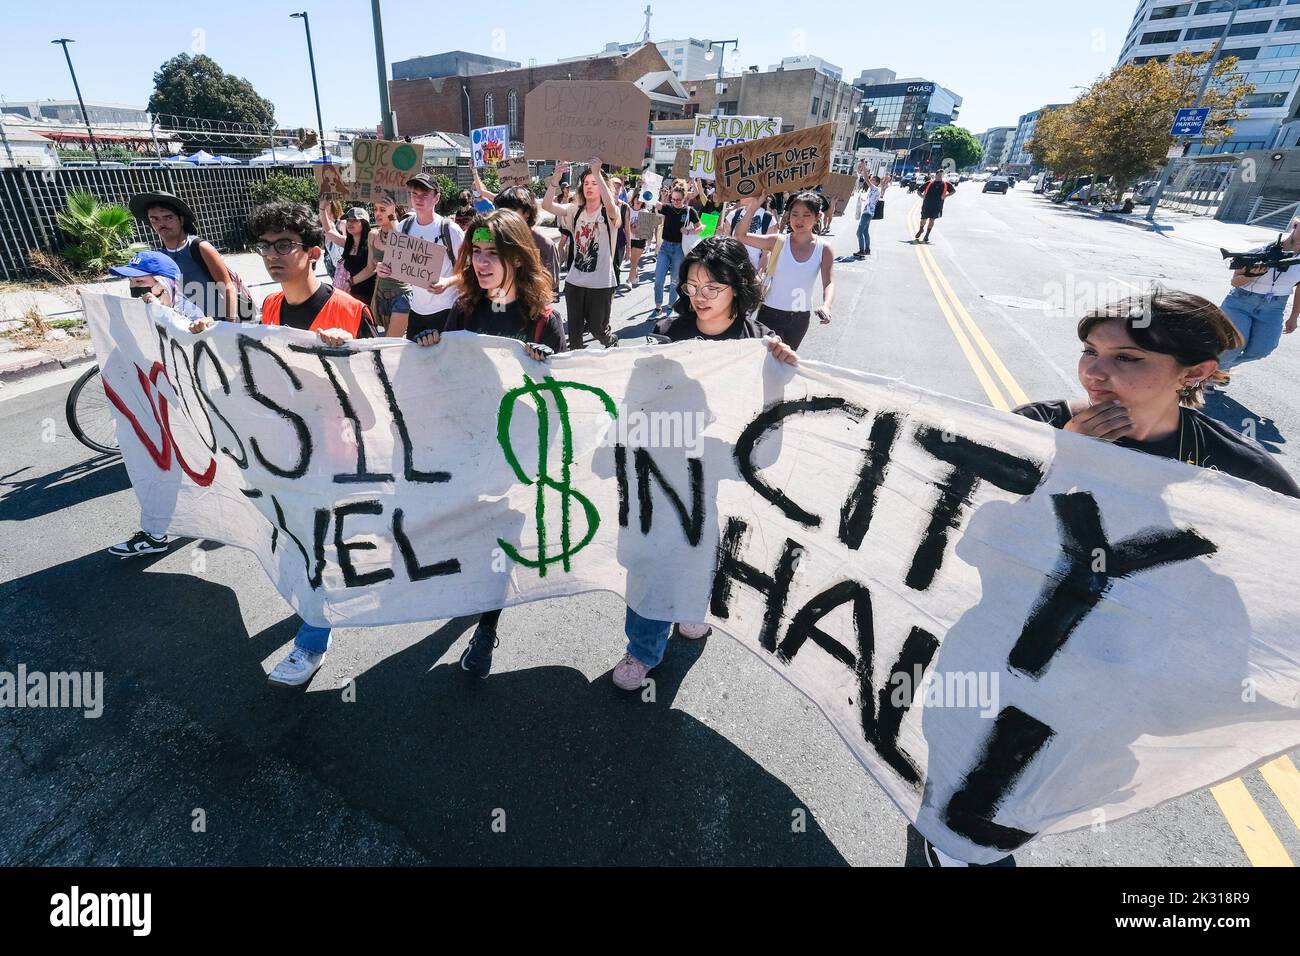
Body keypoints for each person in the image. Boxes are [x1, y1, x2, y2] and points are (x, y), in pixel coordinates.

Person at [189, 201, 377, 687]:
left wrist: (347, 360)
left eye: (284, 245)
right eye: (265, 246)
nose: (272, 255)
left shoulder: (351, 312)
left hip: (333, 458)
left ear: (314, 252)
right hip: (280, 455)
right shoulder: (270, 308)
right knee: (297, 543)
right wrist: (212, 337)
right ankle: (320, 609)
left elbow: (376, 408)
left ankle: (312, 638)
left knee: (314, 547)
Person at [612, 235, 798, 690]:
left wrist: (784, 370)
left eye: (711, 288)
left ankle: (690, 609)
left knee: (699, 547)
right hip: (661, 468)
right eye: (691, 287)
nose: (698, 298)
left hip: (714, 471)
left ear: (737, 287)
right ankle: (644, 648)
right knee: (653, 556)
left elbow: (768, 415)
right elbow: (635, 398)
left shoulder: (758, 343)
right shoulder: (671, 333)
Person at [412, 209, 566, 678]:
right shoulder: (464, 308)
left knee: (500, 543)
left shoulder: (544, 319)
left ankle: (486, 627)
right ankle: (475, 599)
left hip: (515, 457)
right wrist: (431, 344)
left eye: (492, 254)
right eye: (475, 252)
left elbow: (562, 400)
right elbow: (447, 376)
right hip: (470, 447)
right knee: (472, 537)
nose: (480, 262)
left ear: (517, 259)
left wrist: (547, 363)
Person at [105, 251, 208, 559]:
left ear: (163, 284)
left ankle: (157, 534)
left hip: (182, 410)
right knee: (162, 468)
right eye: (131, 283)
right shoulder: (139, 312)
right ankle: (158, 532)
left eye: (141, 282)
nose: (135, 289)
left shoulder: (189, 315)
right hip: (158, 410)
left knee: (168, 469)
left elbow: (194, 346)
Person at [732, 192, 836, 349]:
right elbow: (740, 236)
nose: (799, 220)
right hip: (770, 314)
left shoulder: (824, 248)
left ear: (817, 217)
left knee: (785, 364)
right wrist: (753, 207)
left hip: (800, 318)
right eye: (794, 214)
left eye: (806, 215)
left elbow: (829, 282)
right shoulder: (778, 241)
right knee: (766, 361)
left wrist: (827, 305)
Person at [374, 171, 464, 341]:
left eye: (425, 194)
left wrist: (448, 282)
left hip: (447, 311)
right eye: (414, 194)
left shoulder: (450, 230)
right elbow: (394, 265)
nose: (418, 199)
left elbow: (469, 270)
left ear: (436, 198)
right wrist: (383, 269)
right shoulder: (404, 227)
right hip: (416, 311)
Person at [542, 158, 621, 350]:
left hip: (601, 283)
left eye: (594, 183)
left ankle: (610, 340)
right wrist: (556, 179)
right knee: (575, 333)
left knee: (597, 330)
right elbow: (547, 206)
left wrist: (597, 172)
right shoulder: (574, 210)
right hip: (575, 282)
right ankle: (576, 367)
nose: (589, 187)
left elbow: (611, 206)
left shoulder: (610, 211)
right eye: (586, 183)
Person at [129, 190, 243, 321]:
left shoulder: (199, 247)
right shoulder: (159, 256)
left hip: (216, 326)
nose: (162, 223)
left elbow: (228, 287)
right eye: (155, 219)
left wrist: (230, 324)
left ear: (181, 220)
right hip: (184, 330)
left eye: (168, 217)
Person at [1217, 218, 1300, 377]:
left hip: (1274, 308)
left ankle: (1217, 369)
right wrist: (1251, 276)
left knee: (1261, 350)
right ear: (1295, 225)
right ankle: (1212, 374)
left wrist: (1294, 317)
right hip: (1240, 302)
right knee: (1233, 346)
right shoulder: (1260, 251)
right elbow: (1235, 282)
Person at [491, 184, 560, 296]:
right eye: (500, 210)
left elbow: (551, 286)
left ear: (527, 213)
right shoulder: (492, 240)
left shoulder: (544, 245)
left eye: (510, 210)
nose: (504, 216)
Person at [647, 182, 702, 319]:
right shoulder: (668, 208)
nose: (675, 202)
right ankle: (658, 307)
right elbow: (653, 200)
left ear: (684, 198)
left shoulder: (689, 211)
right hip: (665, 247)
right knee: (658, 280)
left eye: (678, 199)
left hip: (679, 249)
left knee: (674, 281)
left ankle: (671, 306)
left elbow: (700, 227)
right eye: (673, 199)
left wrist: (689, 231)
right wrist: (647, 186)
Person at [368, 191, 413, 339]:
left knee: (390, 345)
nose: (377, 214)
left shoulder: (404, 232)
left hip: (401, 296)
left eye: (383, 209)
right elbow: (370, 267)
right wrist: (349, 281)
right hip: (381, 296)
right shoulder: (373, 235)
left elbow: (404, 248)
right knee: (389, 342)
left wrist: (392, 215)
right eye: (375, 209)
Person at [334, 207, 376, 307]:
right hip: (351, 298)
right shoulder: (348, 245)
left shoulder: (372, 243)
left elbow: (372, 268)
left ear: (364, 223)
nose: (349, 223)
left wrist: (350, 282)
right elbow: (328, 231)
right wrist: (323, 209)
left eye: (354, 220)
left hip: (369, 298)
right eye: (348, 220)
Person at [724, 194, 777, 271]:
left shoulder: (768, 218)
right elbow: (726, 245)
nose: (741, 194)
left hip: (753, 271)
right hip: (732, 270)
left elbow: (766, 253)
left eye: (747, 191)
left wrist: (759, 274)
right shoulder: (733, 215)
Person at [915, 169, 955, 243]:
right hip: (927, 204)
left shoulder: (946, 184)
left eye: (941, 175)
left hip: (937, 206)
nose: (940, 176)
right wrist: (922, 196)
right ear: (936, 175)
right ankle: (921, 229)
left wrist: (946, 195)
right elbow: (919, 191)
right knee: (923, 219)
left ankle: (927, 235)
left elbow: (953, 191)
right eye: (939, 174)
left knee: (932, 220)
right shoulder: (929, 183)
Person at [854, 175, 888, 258]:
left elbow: (866, 179)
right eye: (871, 179)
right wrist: (863, 200)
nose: (871, 181)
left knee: (859, 232)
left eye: (873, 180)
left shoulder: (875, 188)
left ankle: (862, 250)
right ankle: (867, 250)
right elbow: (871, 201)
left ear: (876, 182)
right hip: (869, 212)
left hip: (867, 213)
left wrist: (863, 166)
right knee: (865, 232)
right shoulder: (875, 190)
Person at [609, 174, 632, 289]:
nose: (616, 189)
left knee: (615, 268)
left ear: (622, 189)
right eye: (613, 186)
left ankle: (612, 292)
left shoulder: (625, 207)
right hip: (605, 241)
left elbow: (627, 229)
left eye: (619, 187)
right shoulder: (602, 205)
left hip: (619, 243)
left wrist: (629, 248)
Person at [318, 199, 346, 276]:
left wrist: (332, 230)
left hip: (344, 265)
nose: (324, 205)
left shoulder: (342, 223)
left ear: (333, 204)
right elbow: (323, 247)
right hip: (330, 263)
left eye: (327, 203)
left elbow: (347, 245)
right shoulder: (322, 225)